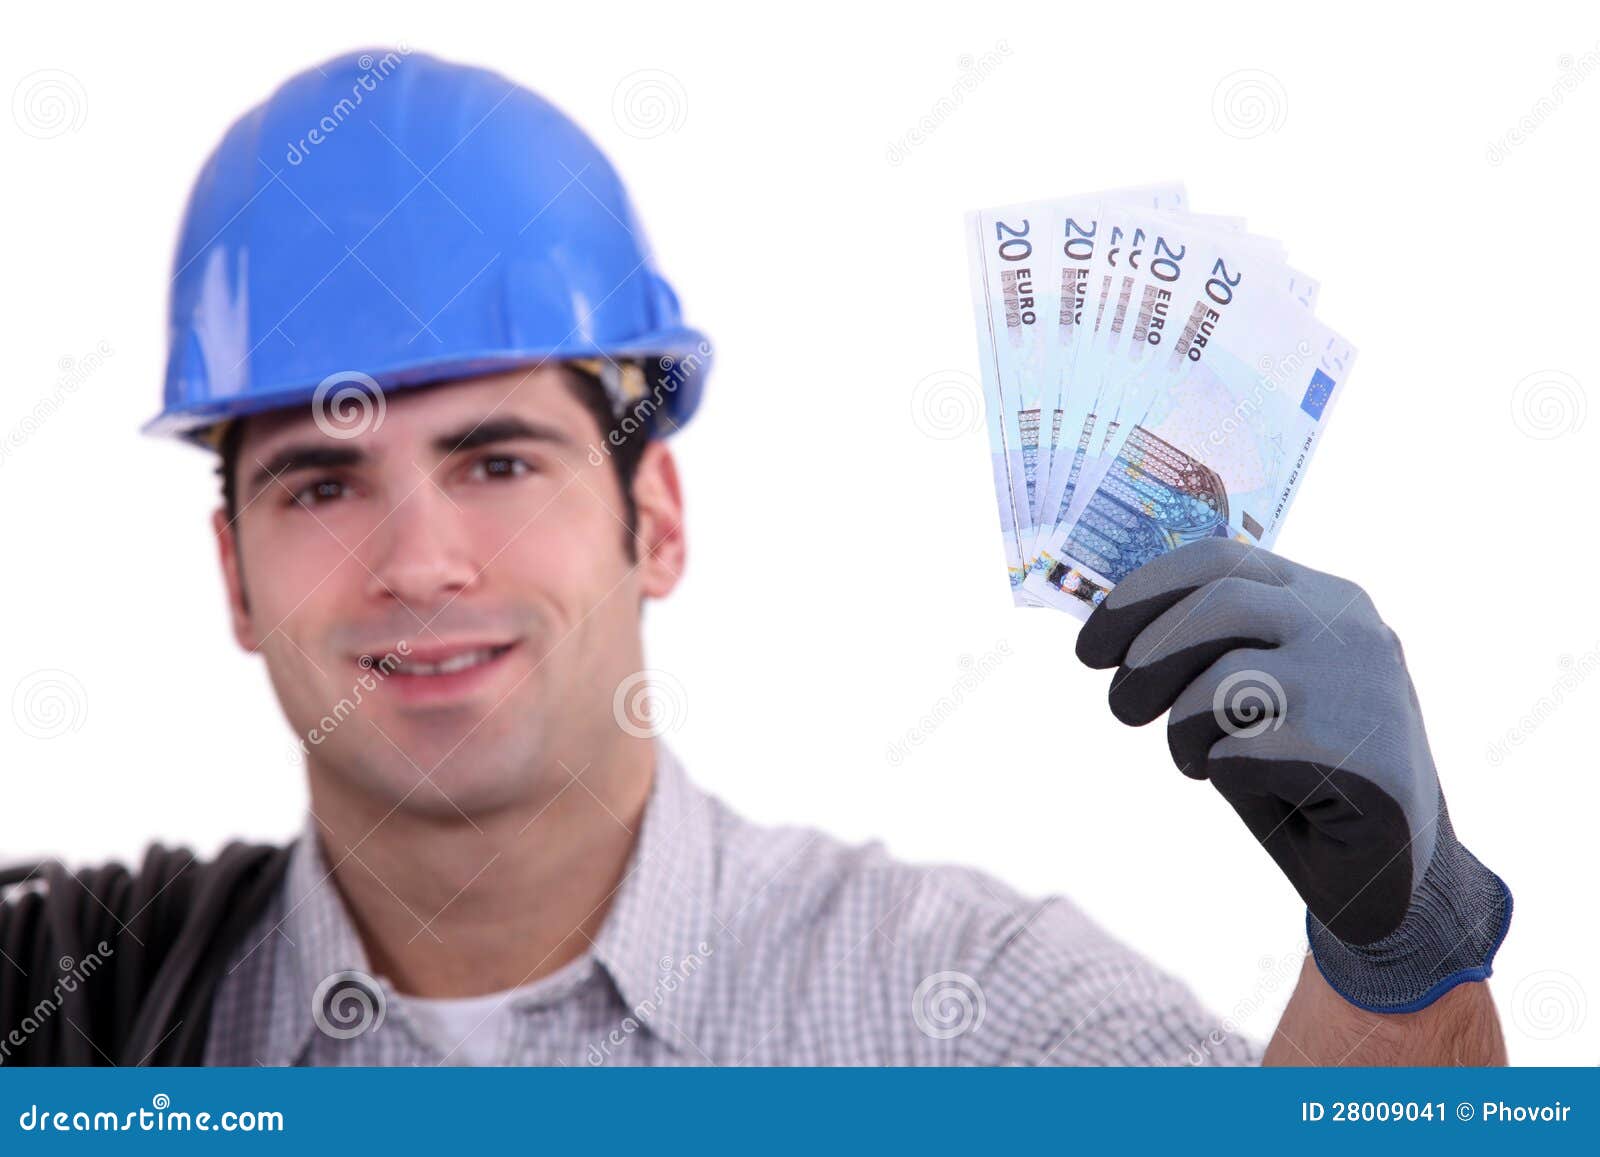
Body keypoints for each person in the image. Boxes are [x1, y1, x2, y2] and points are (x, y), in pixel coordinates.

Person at [0, 49, 1510, 1067]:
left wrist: (1398, 949)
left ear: (653, 516)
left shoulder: (960, 1009)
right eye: (322, 484)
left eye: (498, 460)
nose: (421, 559)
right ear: (234, 574)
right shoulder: (83, 1018)